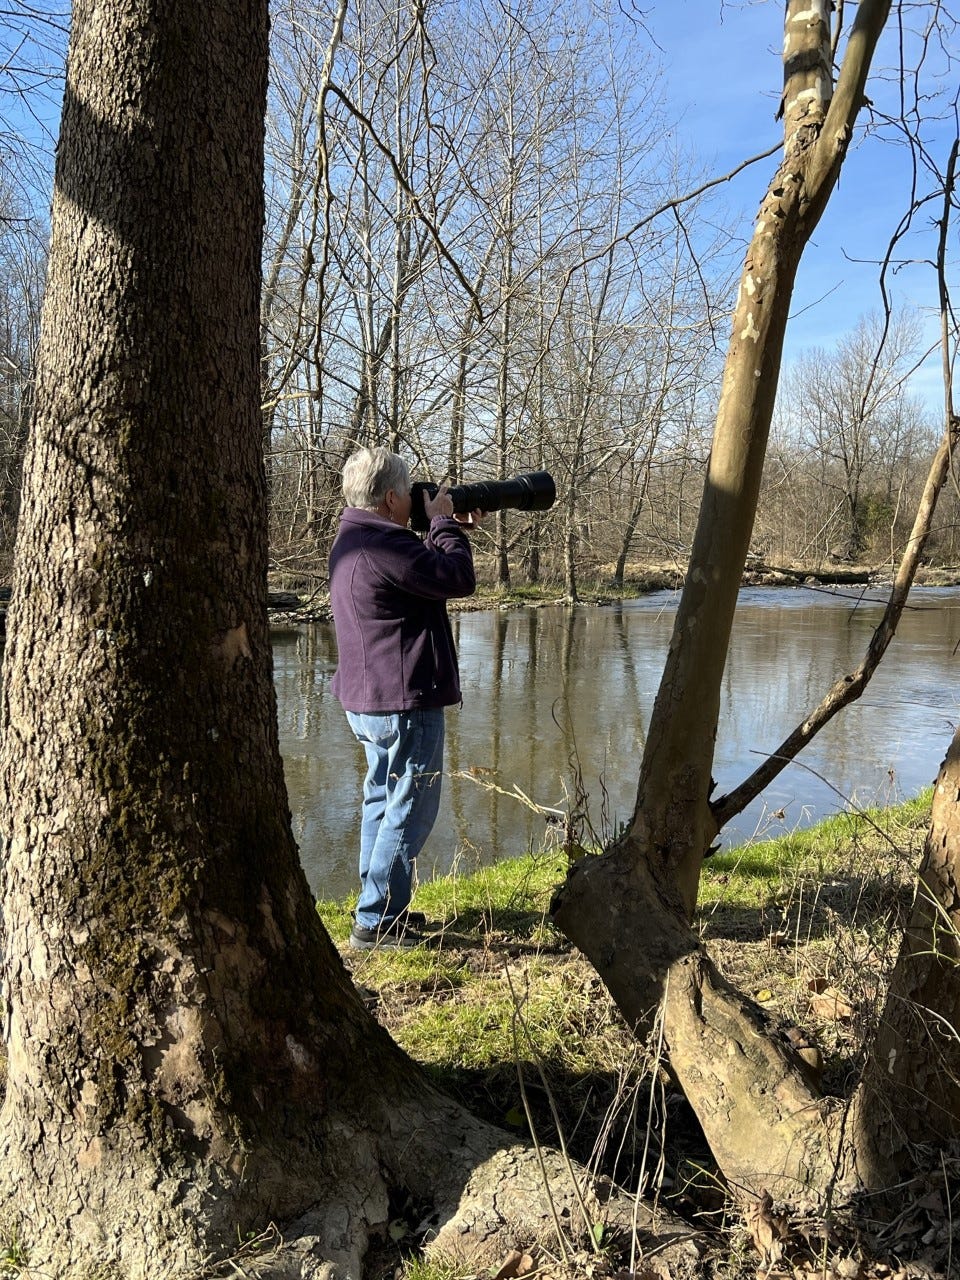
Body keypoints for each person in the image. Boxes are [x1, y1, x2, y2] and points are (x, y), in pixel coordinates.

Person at [328, 445, 483, 950]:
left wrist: (443, 531)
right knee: (408, 809)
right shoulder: (384, 547)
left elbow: (417, 573)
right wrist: (443, 526)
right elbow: (458, 579)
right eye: (410, 491)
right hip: (403, 701)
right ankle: (376, 922)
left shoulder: (356, 538)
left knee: (381, 799)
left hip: (368, 700)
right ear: (393, 497)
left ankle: (383, 909)